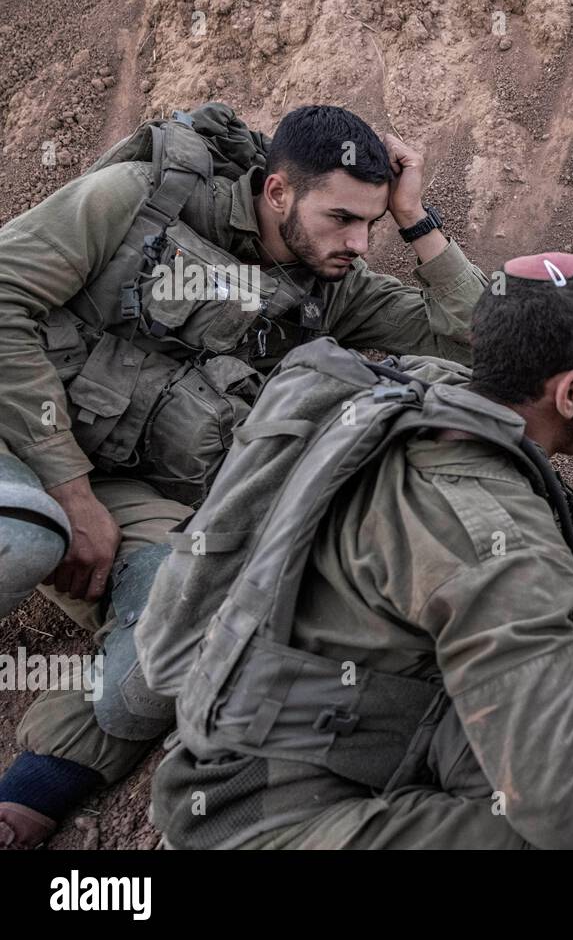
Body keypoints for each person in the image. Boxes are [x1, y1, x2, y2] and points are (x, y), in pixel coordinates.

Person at [145, 252, 573, 849]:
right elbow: (566, 801)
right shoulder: (501, 542)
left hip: (315, 720)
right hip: (267, 815)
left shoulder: (415, 389)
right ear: (570, 394)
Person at [0, 102, 488, 848]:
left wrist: (418, 221)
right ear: (278, 191)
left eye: (372, 223)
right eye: (341, 218)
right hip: (18, 439)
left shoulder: (332, 284)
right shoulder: (136, 197)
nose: (359, 243)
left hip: (124, 485)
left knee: (191, 629)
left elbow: (478, 343)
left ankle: (45, 773)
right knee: (26, 533)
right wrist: (68, 490)